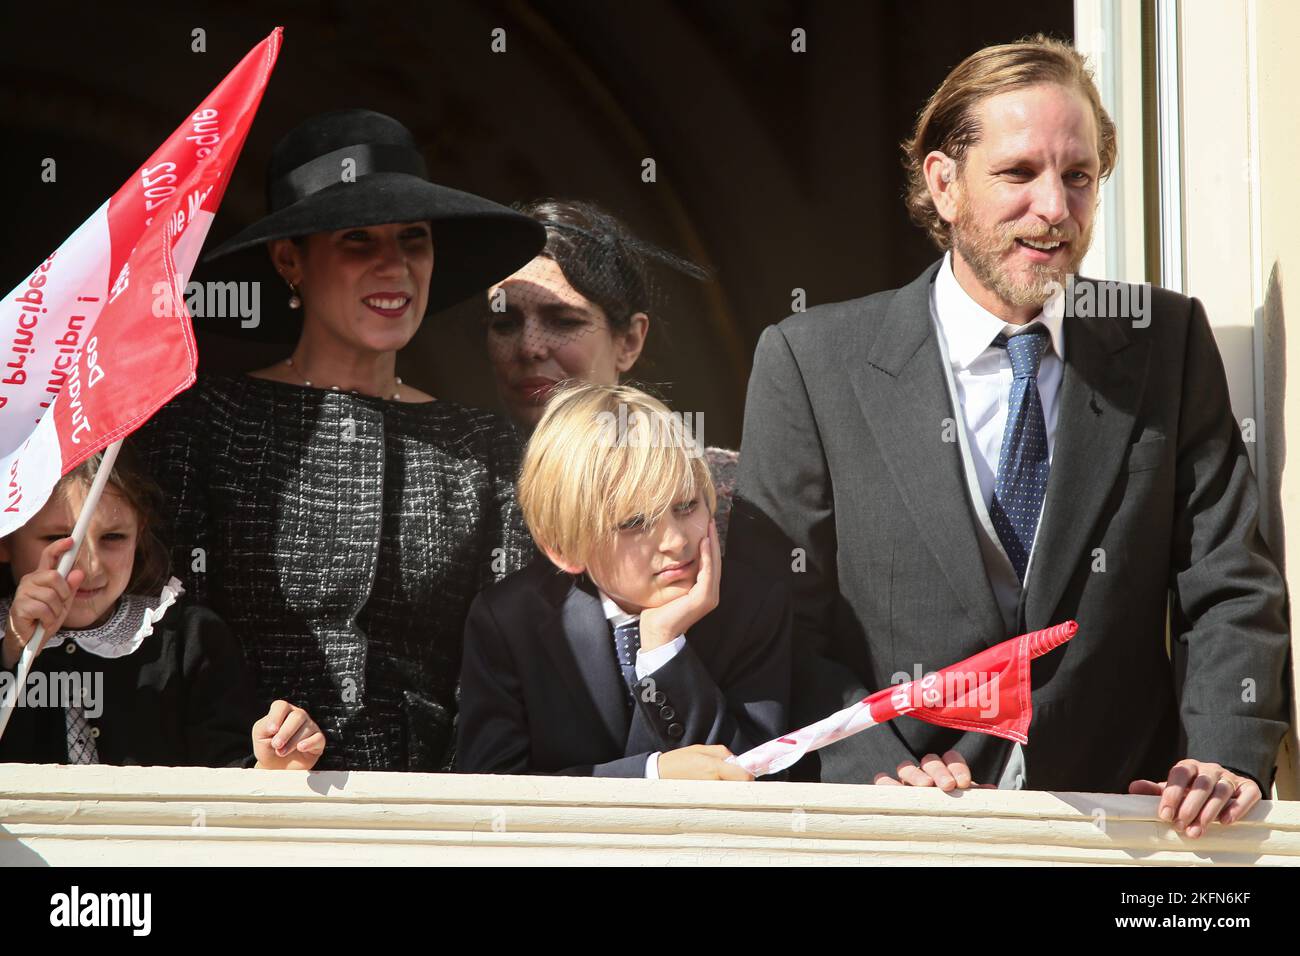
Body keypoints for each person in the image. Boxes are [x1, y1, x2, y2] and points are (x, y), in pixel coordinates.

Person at [727, 36, 1290, 838]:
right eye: (1019, 173)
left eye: (1079, 176)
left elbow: (1227, 579)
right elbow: (775, 618)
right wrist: (867, 764)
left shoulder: (1164, 340)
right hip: (896, 829)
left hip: (1127, 831)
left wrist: (1225, 754)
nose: (1055, 207)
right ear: (944, 184)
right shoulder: (812, 362)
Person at [136, 109, 546, 772]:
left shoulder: (488, 447)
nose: (395, 266)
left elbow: (505, 667)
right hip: (239, 801)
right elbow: (166, 636)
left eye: (413, 239)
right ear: (289, 258)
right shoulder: (203, 422)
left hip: (434, 811)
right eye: (359, 240)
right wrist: (242, 771)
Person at [456, 382, 790, 779]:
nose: (676, 541)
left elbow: (759, 776)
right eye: (635, 523)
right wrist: (651, 775)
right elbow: (494, 787)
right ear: (563, 547)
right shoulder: (510, 621)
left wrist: (665, 650)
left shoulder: (752, 604)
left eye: (686, 506)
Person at [0, 448, 323, 769]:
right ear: (6, 539)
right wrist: (12, 650)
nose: (91, 565)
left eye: (113, 537)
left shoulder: (188, 639)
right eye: (59, 538)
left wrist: (275, 762)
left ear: (139, 533)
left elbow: (228, 779)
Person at [483, 199, 741, 547]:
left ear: (629, 341)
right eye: (504, 323)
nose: (530, 346)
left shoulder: (720, 492)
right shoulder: (461, 495)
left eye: (563, 321)